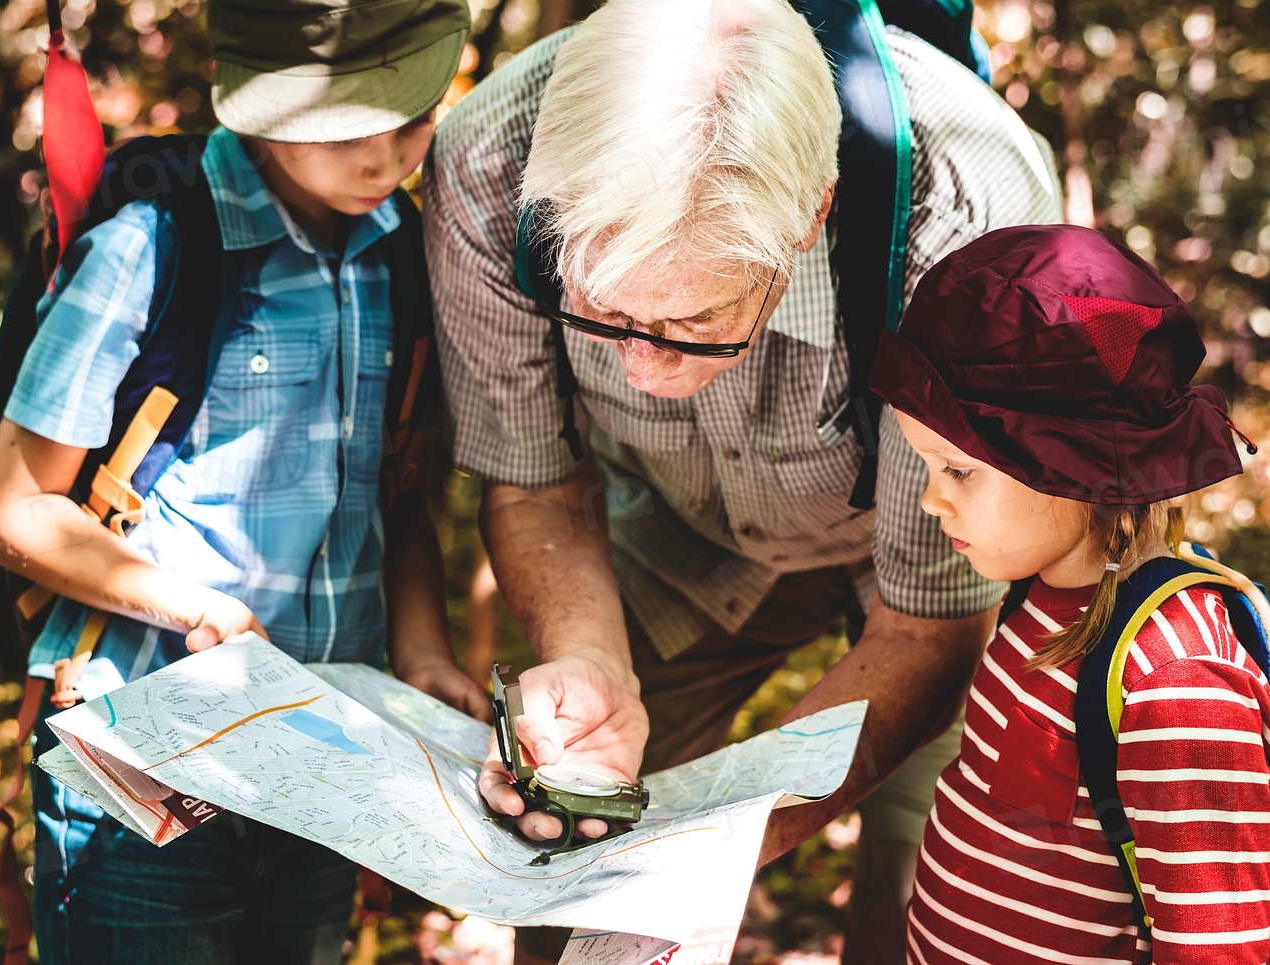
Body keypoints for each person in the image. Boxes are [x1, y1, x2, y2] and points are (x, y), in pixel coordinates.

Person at [421, 0, 1061, 959]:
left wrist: (719, 844)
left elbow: (927, 625)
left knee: (933, 900)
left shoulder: (966, 218)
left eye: (693, 323)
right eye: (603, 313)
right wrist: (587, 652)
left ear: (811, 217)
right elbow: (537, 479)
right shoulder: (488, 162)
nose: (639, 370)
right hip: (675, 523)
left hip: (932, 553)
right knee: (566, 891)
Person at [0, 0, 475, 961]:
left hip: (334, 749)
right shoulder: (150, 245)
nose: (382, 160)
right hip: (144, 757)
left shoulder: (397, 253)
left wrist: (423, 655)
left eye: (409, 122)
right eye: (346, 133)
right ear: (257, 106)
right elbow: (10, 506)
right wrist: (188, 603)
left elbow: (396, 494)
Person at [867, 224, 1270, 962]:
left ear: (1076, 468)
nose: (931, 501)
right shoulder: (1036, 599)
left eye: (957, 470)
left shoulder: (1173, 682)